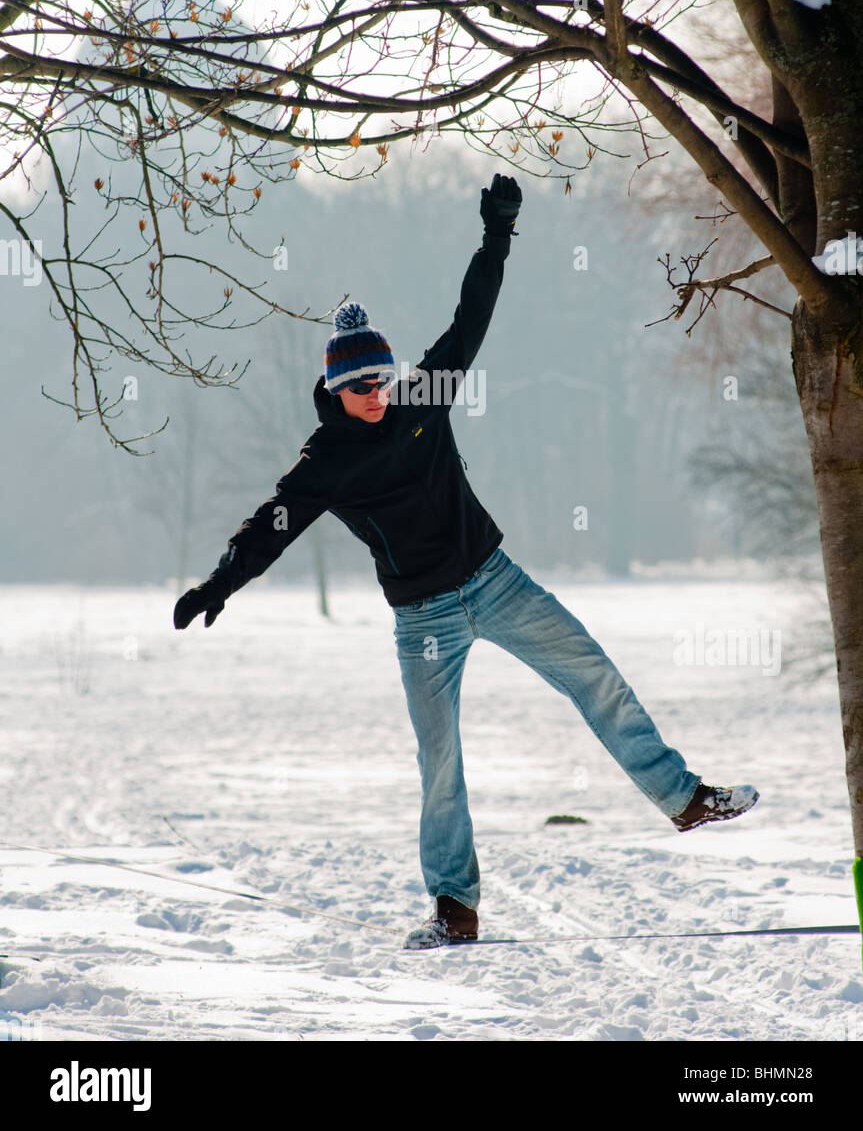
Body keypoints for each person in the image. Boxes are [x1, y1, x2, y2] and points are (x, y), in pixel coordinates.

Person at [174, 174, 758, 949]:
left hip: (495, 580)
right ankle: (455, 908)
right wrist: (221, 582)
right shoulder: (324, 465)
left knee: (593, 673)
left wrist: (497, 234)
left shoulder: (422, 398)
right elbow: (271, 525)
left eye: (380, 379)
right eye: (360, 386)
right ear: (336, 390)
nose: (377, 394)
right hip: (422, 620)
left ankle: (682, 799)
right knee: (440, 759)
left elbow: (470, 317)